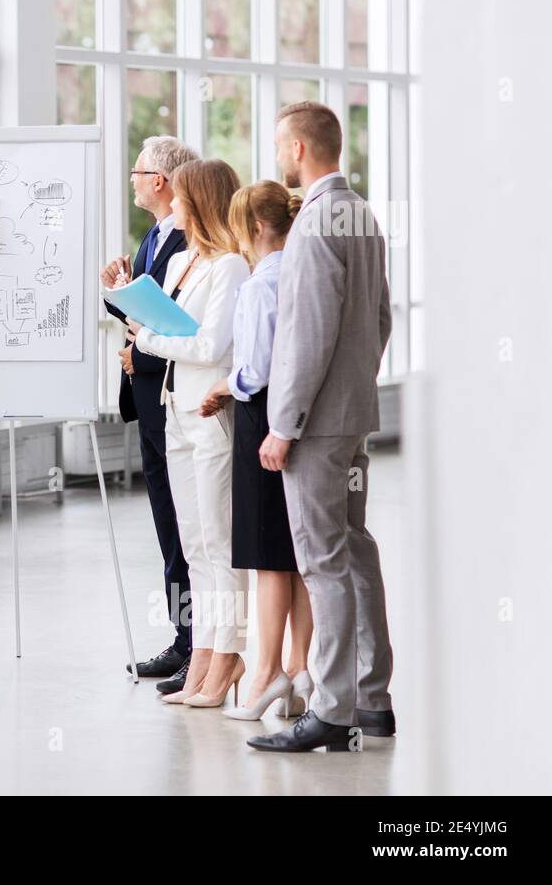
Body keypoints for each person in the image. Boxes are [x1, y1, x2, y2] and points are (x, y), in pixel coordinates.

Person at [248, 101, 394, 753]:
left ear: (301, 149)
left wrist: (285, 424)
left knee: (323, 559)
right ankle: (372, 697)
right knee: (355, 546)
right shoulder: (361, 214)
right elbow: (380, 320)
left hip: (315, 427)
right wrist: (353, 389)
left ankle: (333, 711)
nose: (279, 155)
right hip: (354, 416)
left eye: (282, 144)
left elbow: (306, 336)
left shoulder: (312, 225)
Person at [127, 158, 250, 709]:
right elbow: (164, 326)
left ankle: (229, 652)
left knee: (219, 545)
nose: (170, 203)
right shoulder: (180, 260)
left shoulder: (230, 267)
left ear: (199, 201)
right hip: (174, 409)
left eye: (179, 197)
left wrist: (149, 339)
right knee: (195, 544)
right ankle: (203, 651)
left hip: (208, 415)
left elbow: (211, 348)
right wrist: (138, 321)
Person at [197, 180, 314, 722]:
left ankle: (265, 674)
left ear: (250, 228)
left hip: (261, 419)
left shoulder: (259, 284)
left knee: (268, 556)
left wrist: (225, 385)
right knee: (297, 555)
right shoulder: (302, 271)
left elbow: (256, 369)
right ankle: (298, 667)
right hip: (296, 417)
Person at [101, 135, 199, 687]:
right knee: (167, 525)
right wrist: (113, 290)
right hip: (147, 392)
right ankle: (183, 638)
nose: (134, 180)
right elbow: (141, 313)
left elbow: (172, 323)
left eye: (138, 172)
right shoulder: (153, 236)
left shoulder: (188, 240)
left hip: (171, 392)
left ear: (159, 181)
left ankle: (198, 645)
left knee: (187, 528)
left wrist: (139, 347)